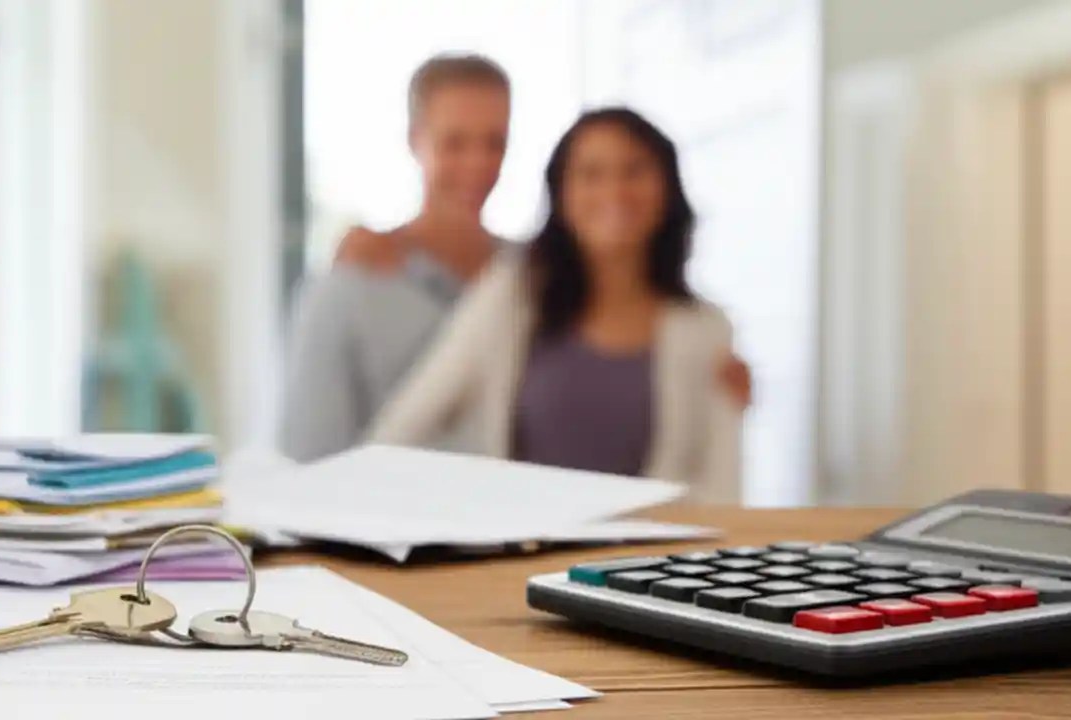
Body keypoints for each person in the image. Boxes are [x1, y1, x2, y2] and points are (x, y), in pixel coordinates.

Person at [368, 108, 743, 502]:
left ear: (667, 188)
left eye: (634, 170)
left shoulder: (706, 328)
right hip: (515, 552)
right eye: (591, 174)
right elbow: (405, 425)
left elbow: (723, 488)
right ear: (561, 193)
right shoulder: (512, 295)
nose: (615, 191)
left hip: (643, 559)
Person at [279, 53, 510, 461]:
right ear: (414, 140)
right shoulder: (347, 290)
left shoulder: (533, 278)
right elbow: (309, 459)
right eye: (454, 143)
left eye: (494, 143)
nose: (479, 164)